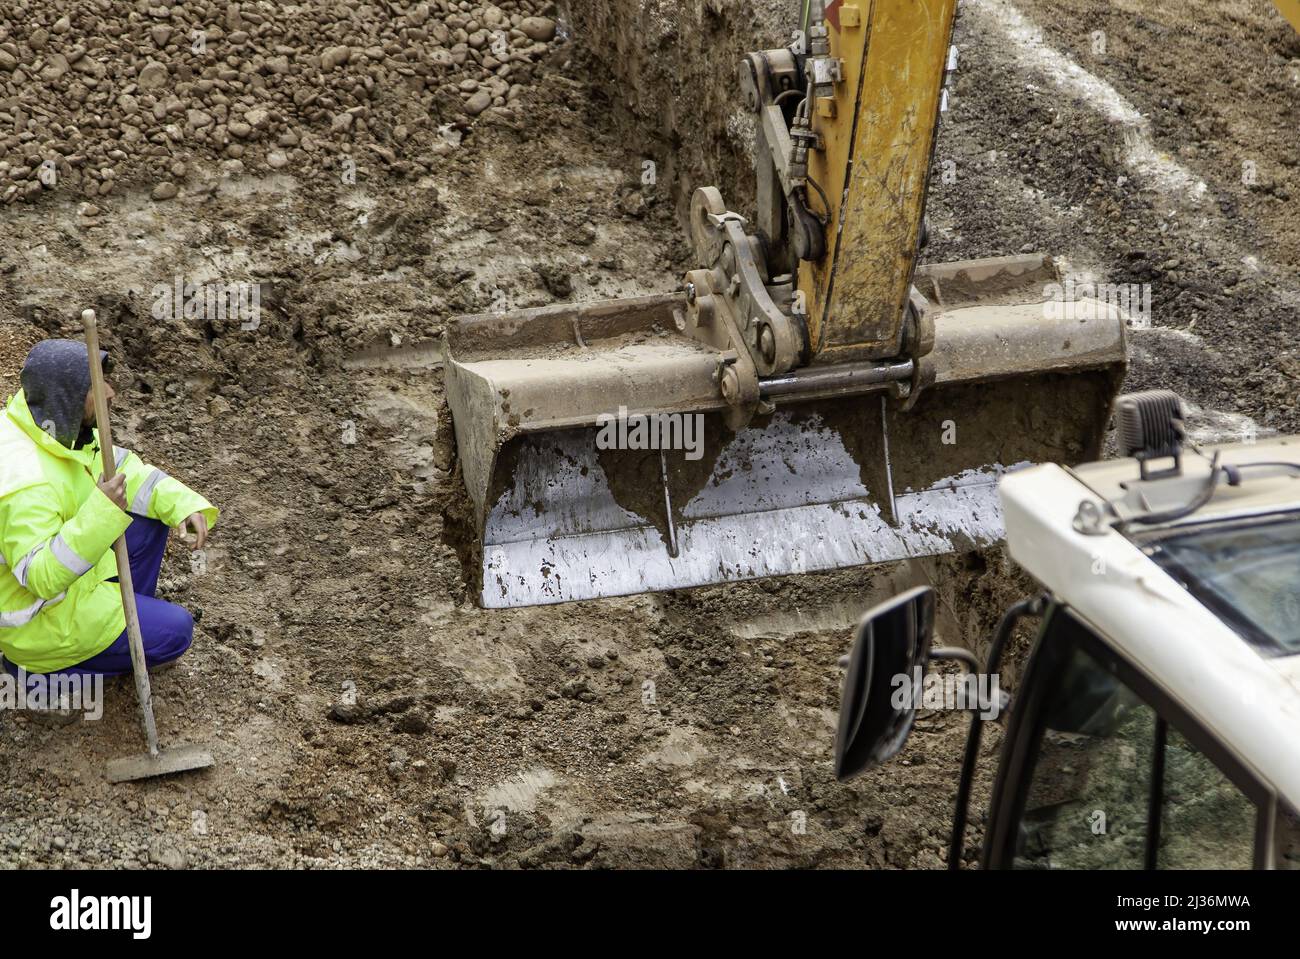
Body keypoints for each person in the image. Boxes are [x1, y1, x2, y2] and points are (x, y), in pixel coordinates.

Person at [0, 339, 217, 679]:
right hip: (41, 621)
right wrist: (101, 511)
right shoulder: (25, 481)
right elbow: (41, 578)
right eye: (95, 386)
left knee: (150, 519)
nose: (111, 393)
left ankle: (123, 627)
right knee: (177, 631)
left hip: (74, 584)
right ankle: (37, 675)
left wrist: (184, 506)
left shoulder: (54, 428)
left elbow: (130, 475)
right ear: (66, 394)